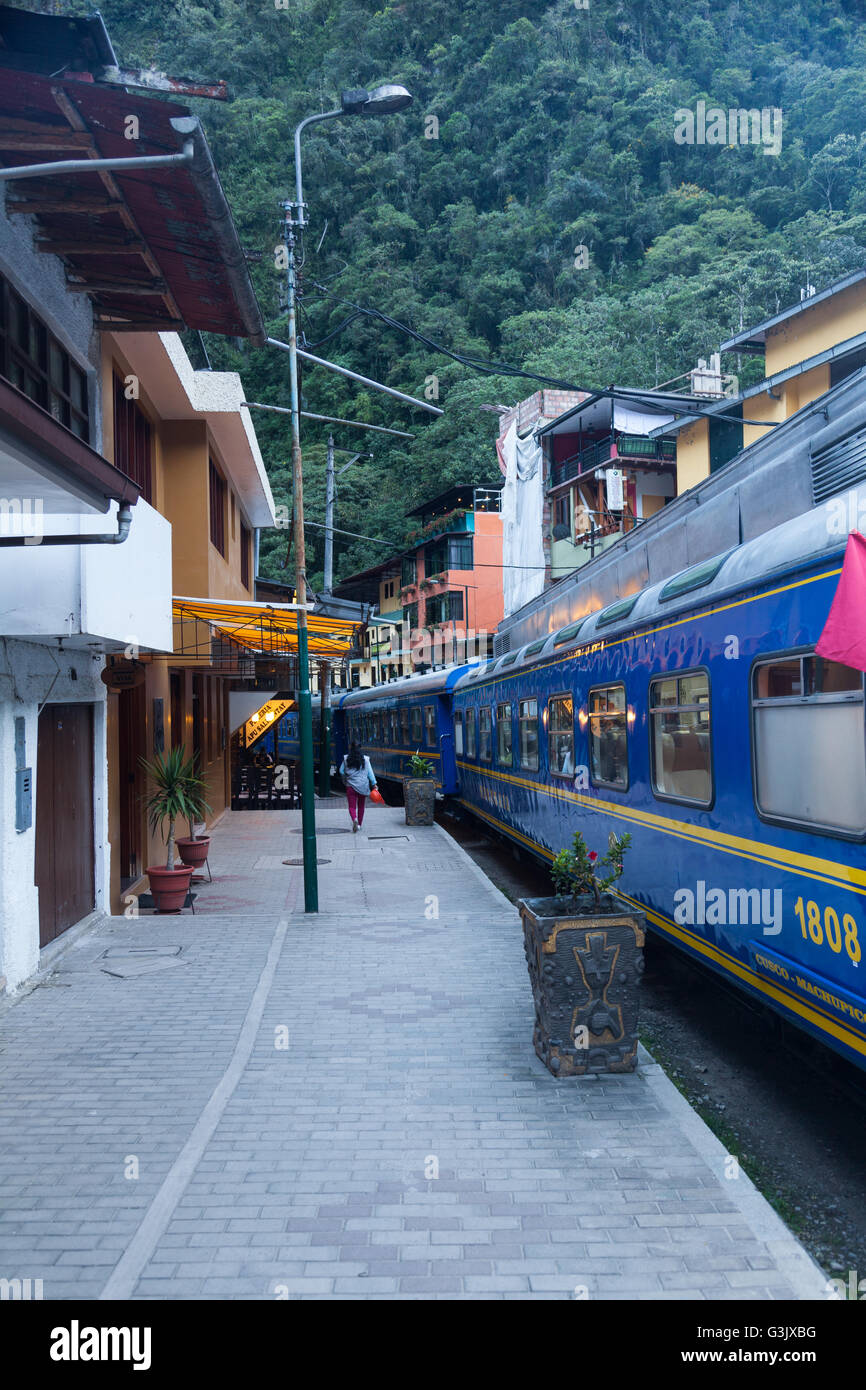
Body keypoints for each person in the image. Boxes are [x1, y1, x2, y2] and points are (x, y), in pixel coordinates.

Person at [339, 741, 378, 832]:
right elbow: (370, 774)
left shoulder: (346, 759)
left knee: (352, 807)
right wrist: (374, 784)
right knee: (361, 806)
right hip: (363, 786)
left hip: (350, 786)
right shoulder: (366, 759)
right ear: (360, 748)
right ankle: (359, 825)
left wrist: (347, 776)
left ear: (351, 748)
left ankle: (354, 819)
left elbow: (341, 771)